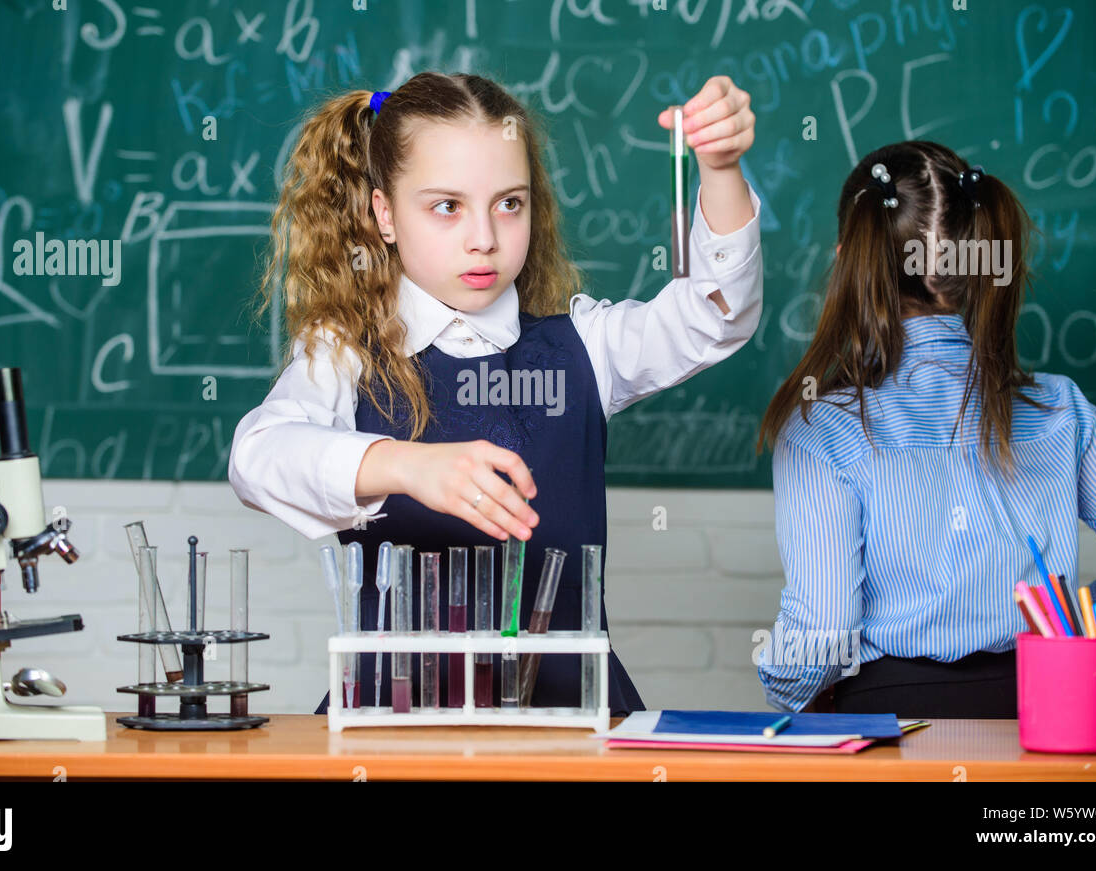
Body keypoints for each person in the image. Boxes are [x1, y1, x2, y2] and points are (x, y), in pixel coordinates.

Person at [229, 72, 763, 714]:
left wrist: (723, 170)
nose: (483, 237)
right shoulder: (343, 355)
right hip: (395, 725)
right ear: (384, 214)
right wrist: (406, 463)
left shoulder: (585, 347)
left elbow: (716, 317)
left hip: (572, 722)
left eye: (508, 203)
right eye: (446, 206)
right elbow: (257, 457)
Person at [756, 140, 1096, 718]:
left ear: (850, 258)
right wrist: (1066, 641)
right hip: (1042, 713)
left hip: (888, 719)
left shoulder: (822, 424)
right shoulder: (1060, 408)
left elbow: (823, 629)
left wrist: (787, 699)